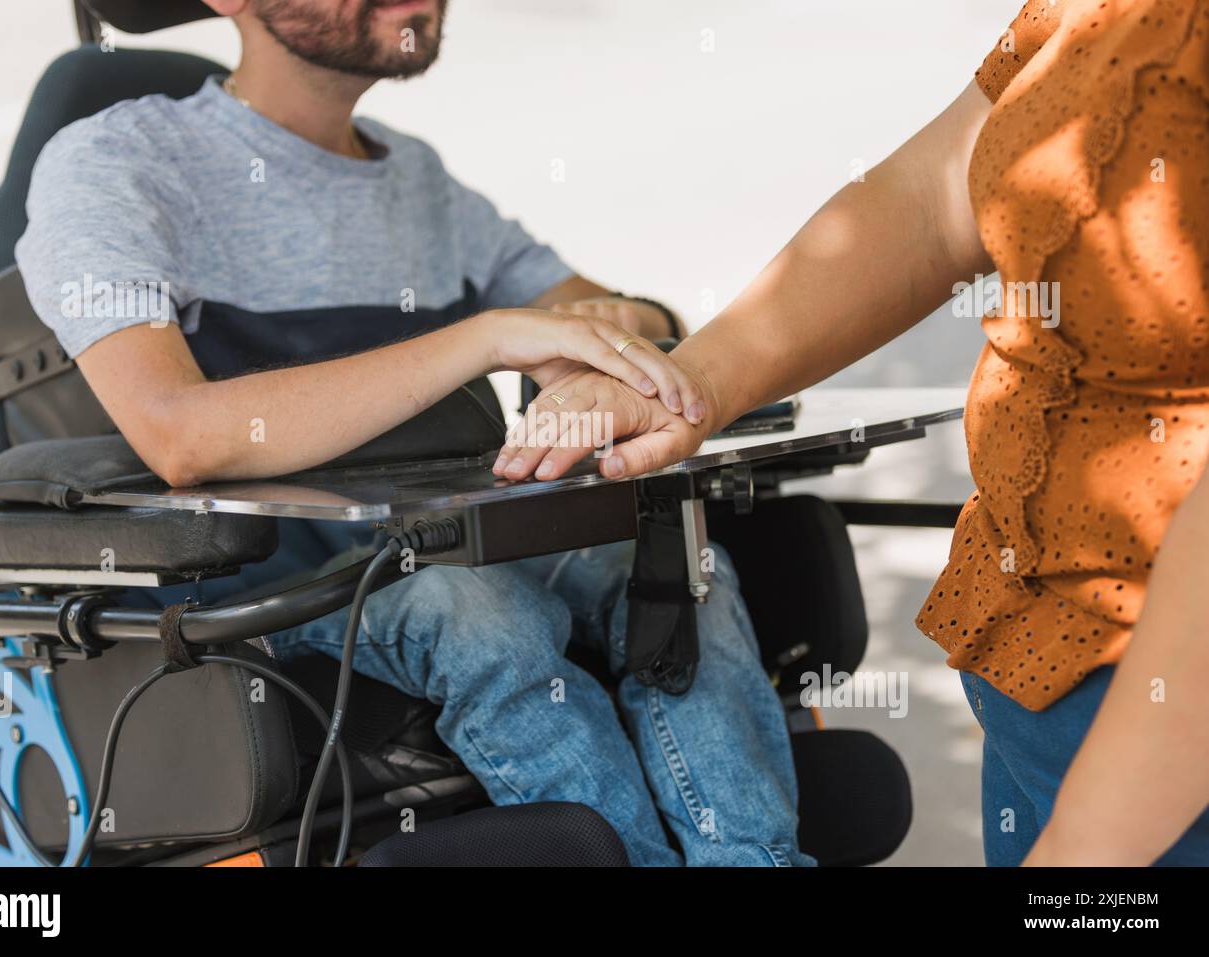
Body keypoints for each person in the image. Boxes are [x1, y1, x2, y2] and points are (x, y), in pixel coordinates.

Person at [13, 0, 815, 866]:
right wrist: (487, 335)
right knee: (477, 610)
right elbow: (180, 433)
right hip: (260, 595)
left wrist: (617, 332)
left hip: (439, 545)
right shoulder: (112, 161)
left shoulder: (419, 180)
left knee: (677, 560)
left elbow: (613, 310)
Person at [507, 0, 1209, 865]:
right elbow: (933, 196)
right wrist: (694, 382)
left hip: (1164, 729)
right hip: (1032, 666)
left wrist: (1090, 854)